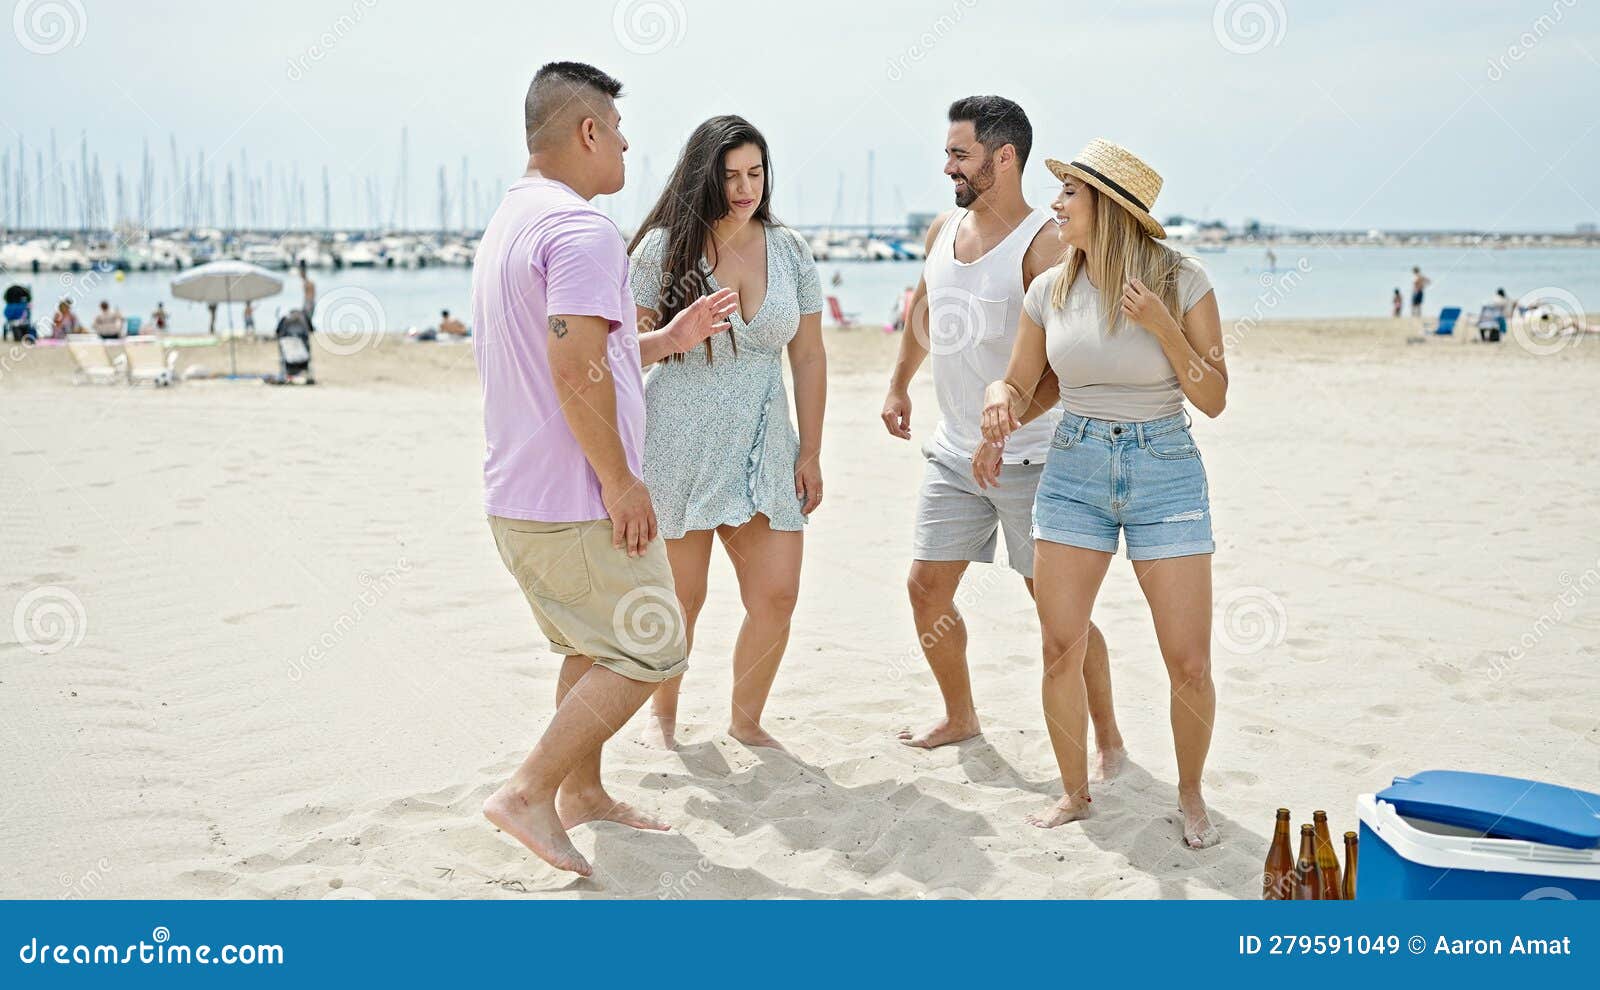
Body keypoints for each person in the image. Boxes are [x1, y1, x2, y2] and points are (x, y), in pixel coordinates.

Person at [472, 61, 734, 877]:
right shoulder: (581, 230)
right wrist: (621, 481)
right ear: (587, 133)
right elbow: (574, 365)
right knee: (654, 648)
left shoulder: (511, 222)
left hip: (521, 493)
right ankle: (528, 791)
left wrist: (665, 342)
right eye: (618, 132)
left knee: (592, 645)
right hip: (576, 494)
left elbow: (585, 354)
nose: (625, 146)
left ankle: (580, 794)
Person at [981, 139, 1228, 848]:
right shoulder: (1049, 288)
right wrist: (1000, 399)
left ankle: (1190, 796)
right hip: (1075, 469)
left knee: (1189, 661)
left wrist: (1165, 327)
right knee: (1060, 644)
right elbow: (1024, 385)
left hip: (1165, 466)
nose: (1053, 205)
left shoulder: (1184, 281)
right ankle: (1074, 791)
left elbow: (1212, 398)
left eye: (1068, 194)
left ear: (1108, 208)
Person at [881, 96, 1124, 759]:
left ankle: (1107, 744)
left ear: (1004, 157)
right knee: (925, 589)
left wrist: (1005, 430)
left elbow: (1063, 367)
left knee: (1059, 615)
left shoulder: (1043, 246)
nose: (948, 168)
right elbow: (925, 312)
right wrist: (900, 381)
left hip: (1034, 463)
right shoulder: (941, 231)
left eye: (960, 155)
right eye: (948, 153)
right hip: (953, 455)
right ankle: (960, 717)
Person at [628, 115, 827, 752]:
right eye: (731, 175)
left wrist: (812, 451)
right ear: (703, 178)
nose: (745, 188)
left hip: (765, 444)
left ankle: (745, 721)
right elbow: (620, 355)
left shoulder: (790, 248)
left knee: (777, 593)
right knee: (682, 601)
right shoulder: (663, 250)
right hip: (677, 443)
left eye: (756, 173)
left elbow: (810, 356)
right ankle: (664, 717)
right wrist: (674, 337)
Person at [299, 260, 316, 328]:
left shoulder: (308, 283)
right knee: (307, 318)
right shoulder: (307, 283)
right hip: (309, 302)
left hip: (309, 302)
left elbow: (311, 295)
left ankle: (311, 329)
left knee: (307, 318)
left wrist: (308, 304)